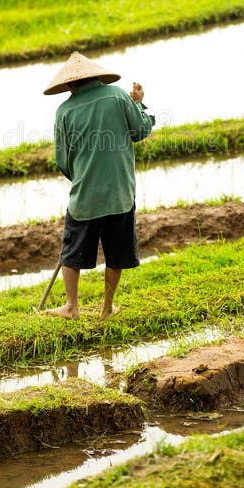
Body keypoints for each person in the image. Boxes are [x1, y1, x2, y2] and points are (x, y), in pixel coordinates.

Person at [43, 50, 154, 319]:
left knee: (71, 252)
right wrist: (138, 103)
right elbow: (140, 130)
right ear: (96, 76)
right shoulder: (117, 96)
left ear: (69, 84)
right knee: (117, 253)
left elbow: (63, 160)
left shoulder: (64, 111)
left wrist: (82, 176)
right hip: (120, 193)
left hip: (84, 197)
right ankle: (106, 308)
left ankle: (71, 306)